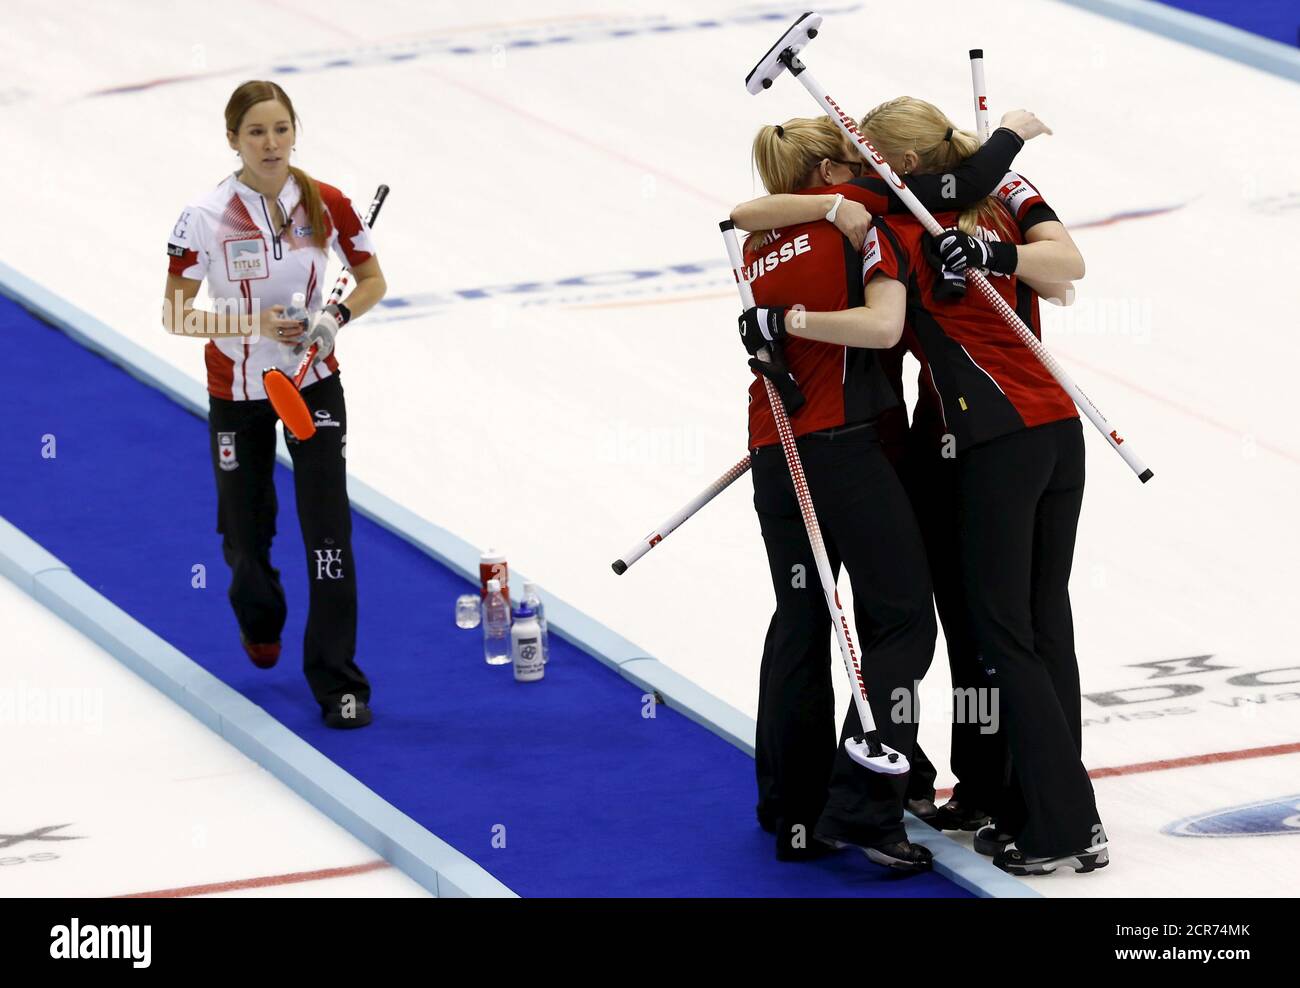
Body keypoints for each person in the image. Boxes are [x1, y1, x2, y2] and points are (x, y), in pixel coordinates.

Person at [740, 97, 1107, 876]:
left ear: (899, 167)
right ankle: (993, 790)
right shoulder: (961, 199)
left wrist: (980, 258)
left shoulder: (901, 222)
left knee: (994, 630)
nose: (859, 175)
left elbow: (1063, 271)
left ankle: (1050, 815)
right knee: (1003, 626)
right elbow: (1059, 282)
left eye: (868, 161)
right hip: (1015, 433)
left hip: (983, 438)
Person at [160, 80, 387, 729]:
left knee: (328, 532)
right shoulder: (204, 216)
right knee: (244, 535)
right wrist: (252, 320)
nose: (270, 143)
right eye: (256, 131)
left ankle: (340, 683)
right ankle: (260, 616)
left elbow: (372, 278)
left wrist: (333, 320)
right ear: (233, 138)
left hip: (312, 383)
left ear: (295, 133)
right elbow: (174, 312)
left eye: (281, 129)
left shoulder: (325, 202)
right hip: (237, 390)